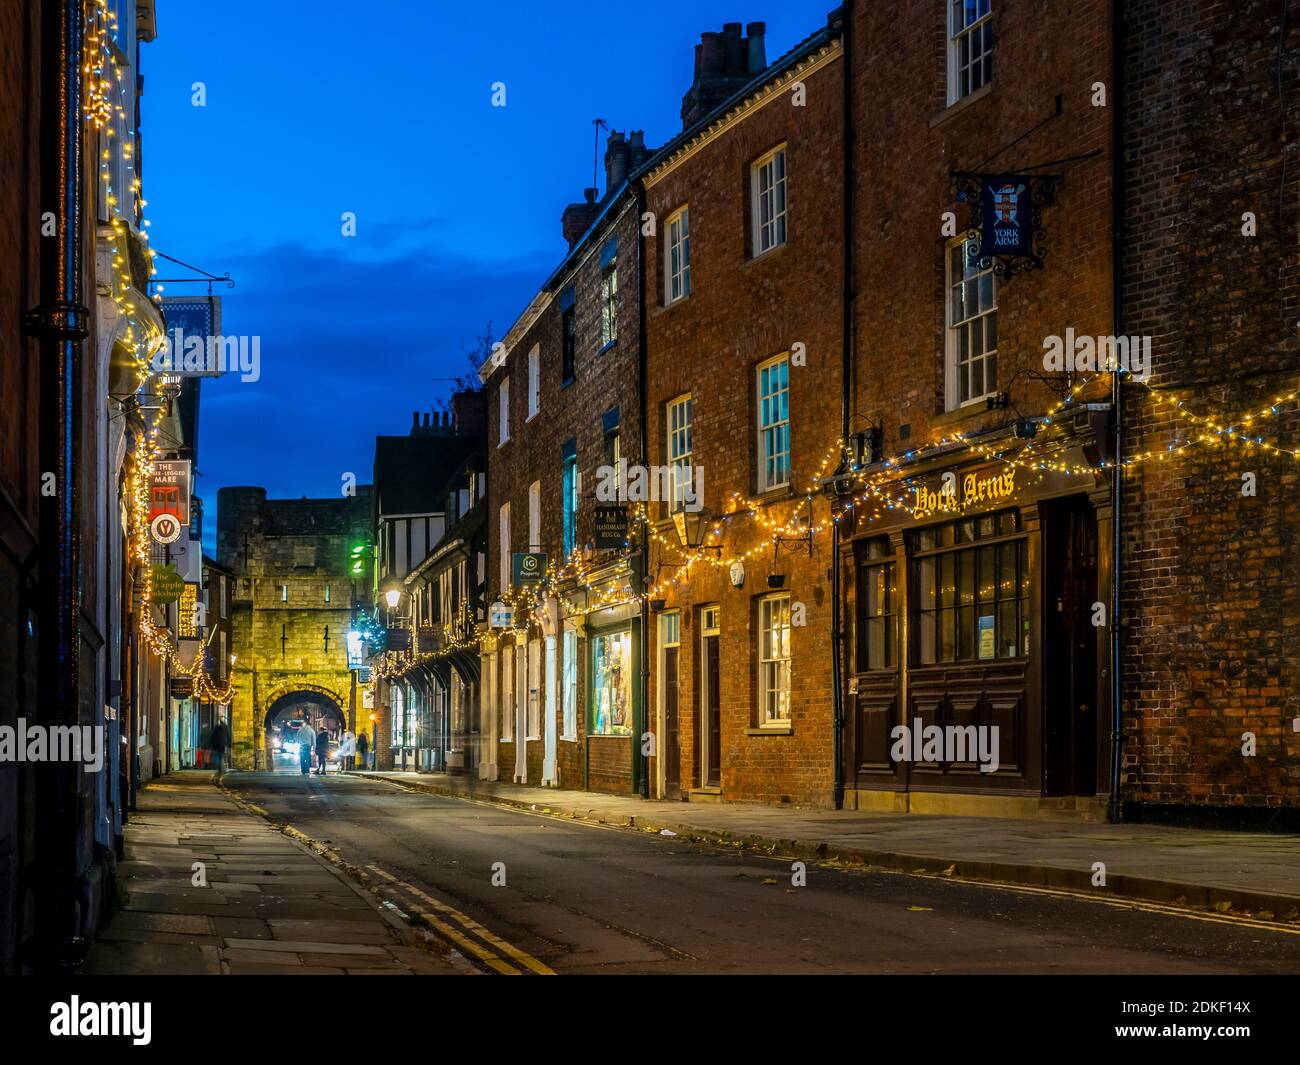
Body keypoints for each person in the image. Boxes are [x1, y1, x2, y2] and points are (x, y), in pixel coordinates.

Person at [210, 716, 231, 783]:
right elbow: (228, 737)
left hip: (216, 745)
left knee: (218, 757)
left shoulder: (216, 728)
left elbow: (213, 737)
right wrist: (229, 746)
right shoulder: (226, 728)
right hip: (223, 745)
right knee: (221, 757)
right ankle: (220, 771)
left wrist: (212, 745)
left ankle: (218, 771)